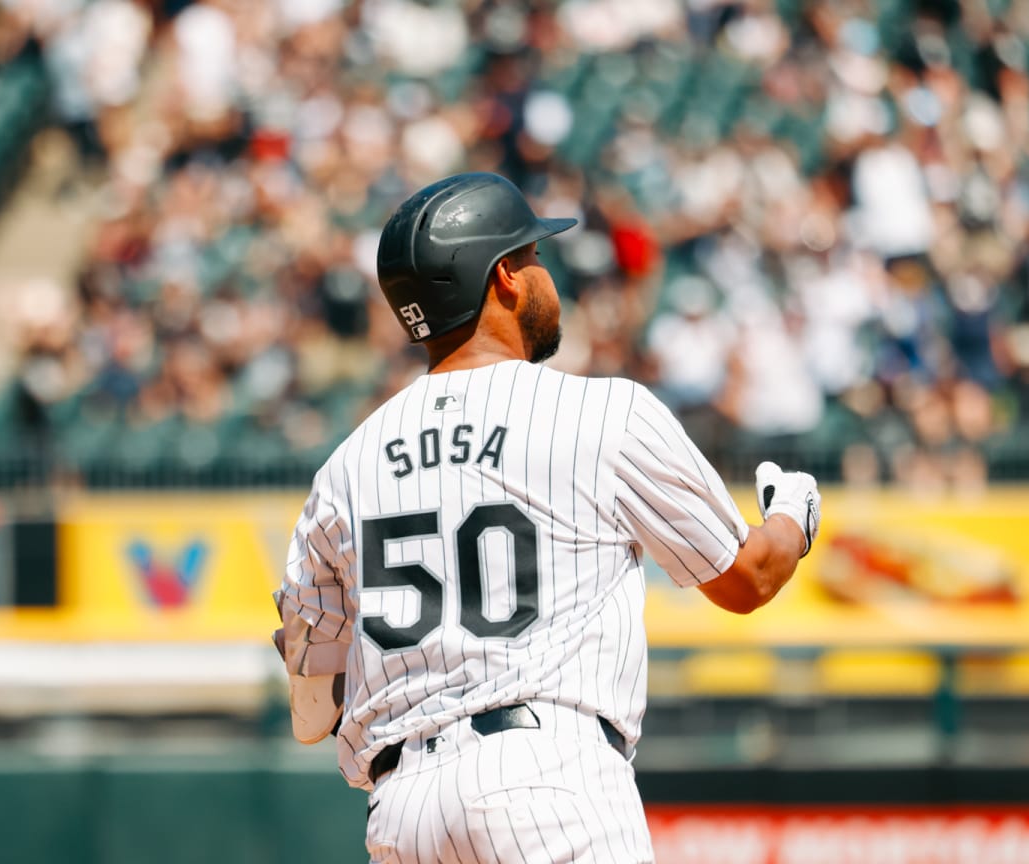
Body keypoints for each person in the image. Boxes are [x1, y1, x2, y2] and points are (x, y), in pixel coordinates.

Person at [274, 172, 822, 864]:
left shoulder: (343, 471)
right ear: (504, 277)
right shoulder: (604, 414)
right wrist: (792, 517)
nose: (545, 273)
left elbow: (311, 713)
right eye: (534, 257)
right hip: (548, 783)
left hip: (403, 812)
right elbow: (747, 579)